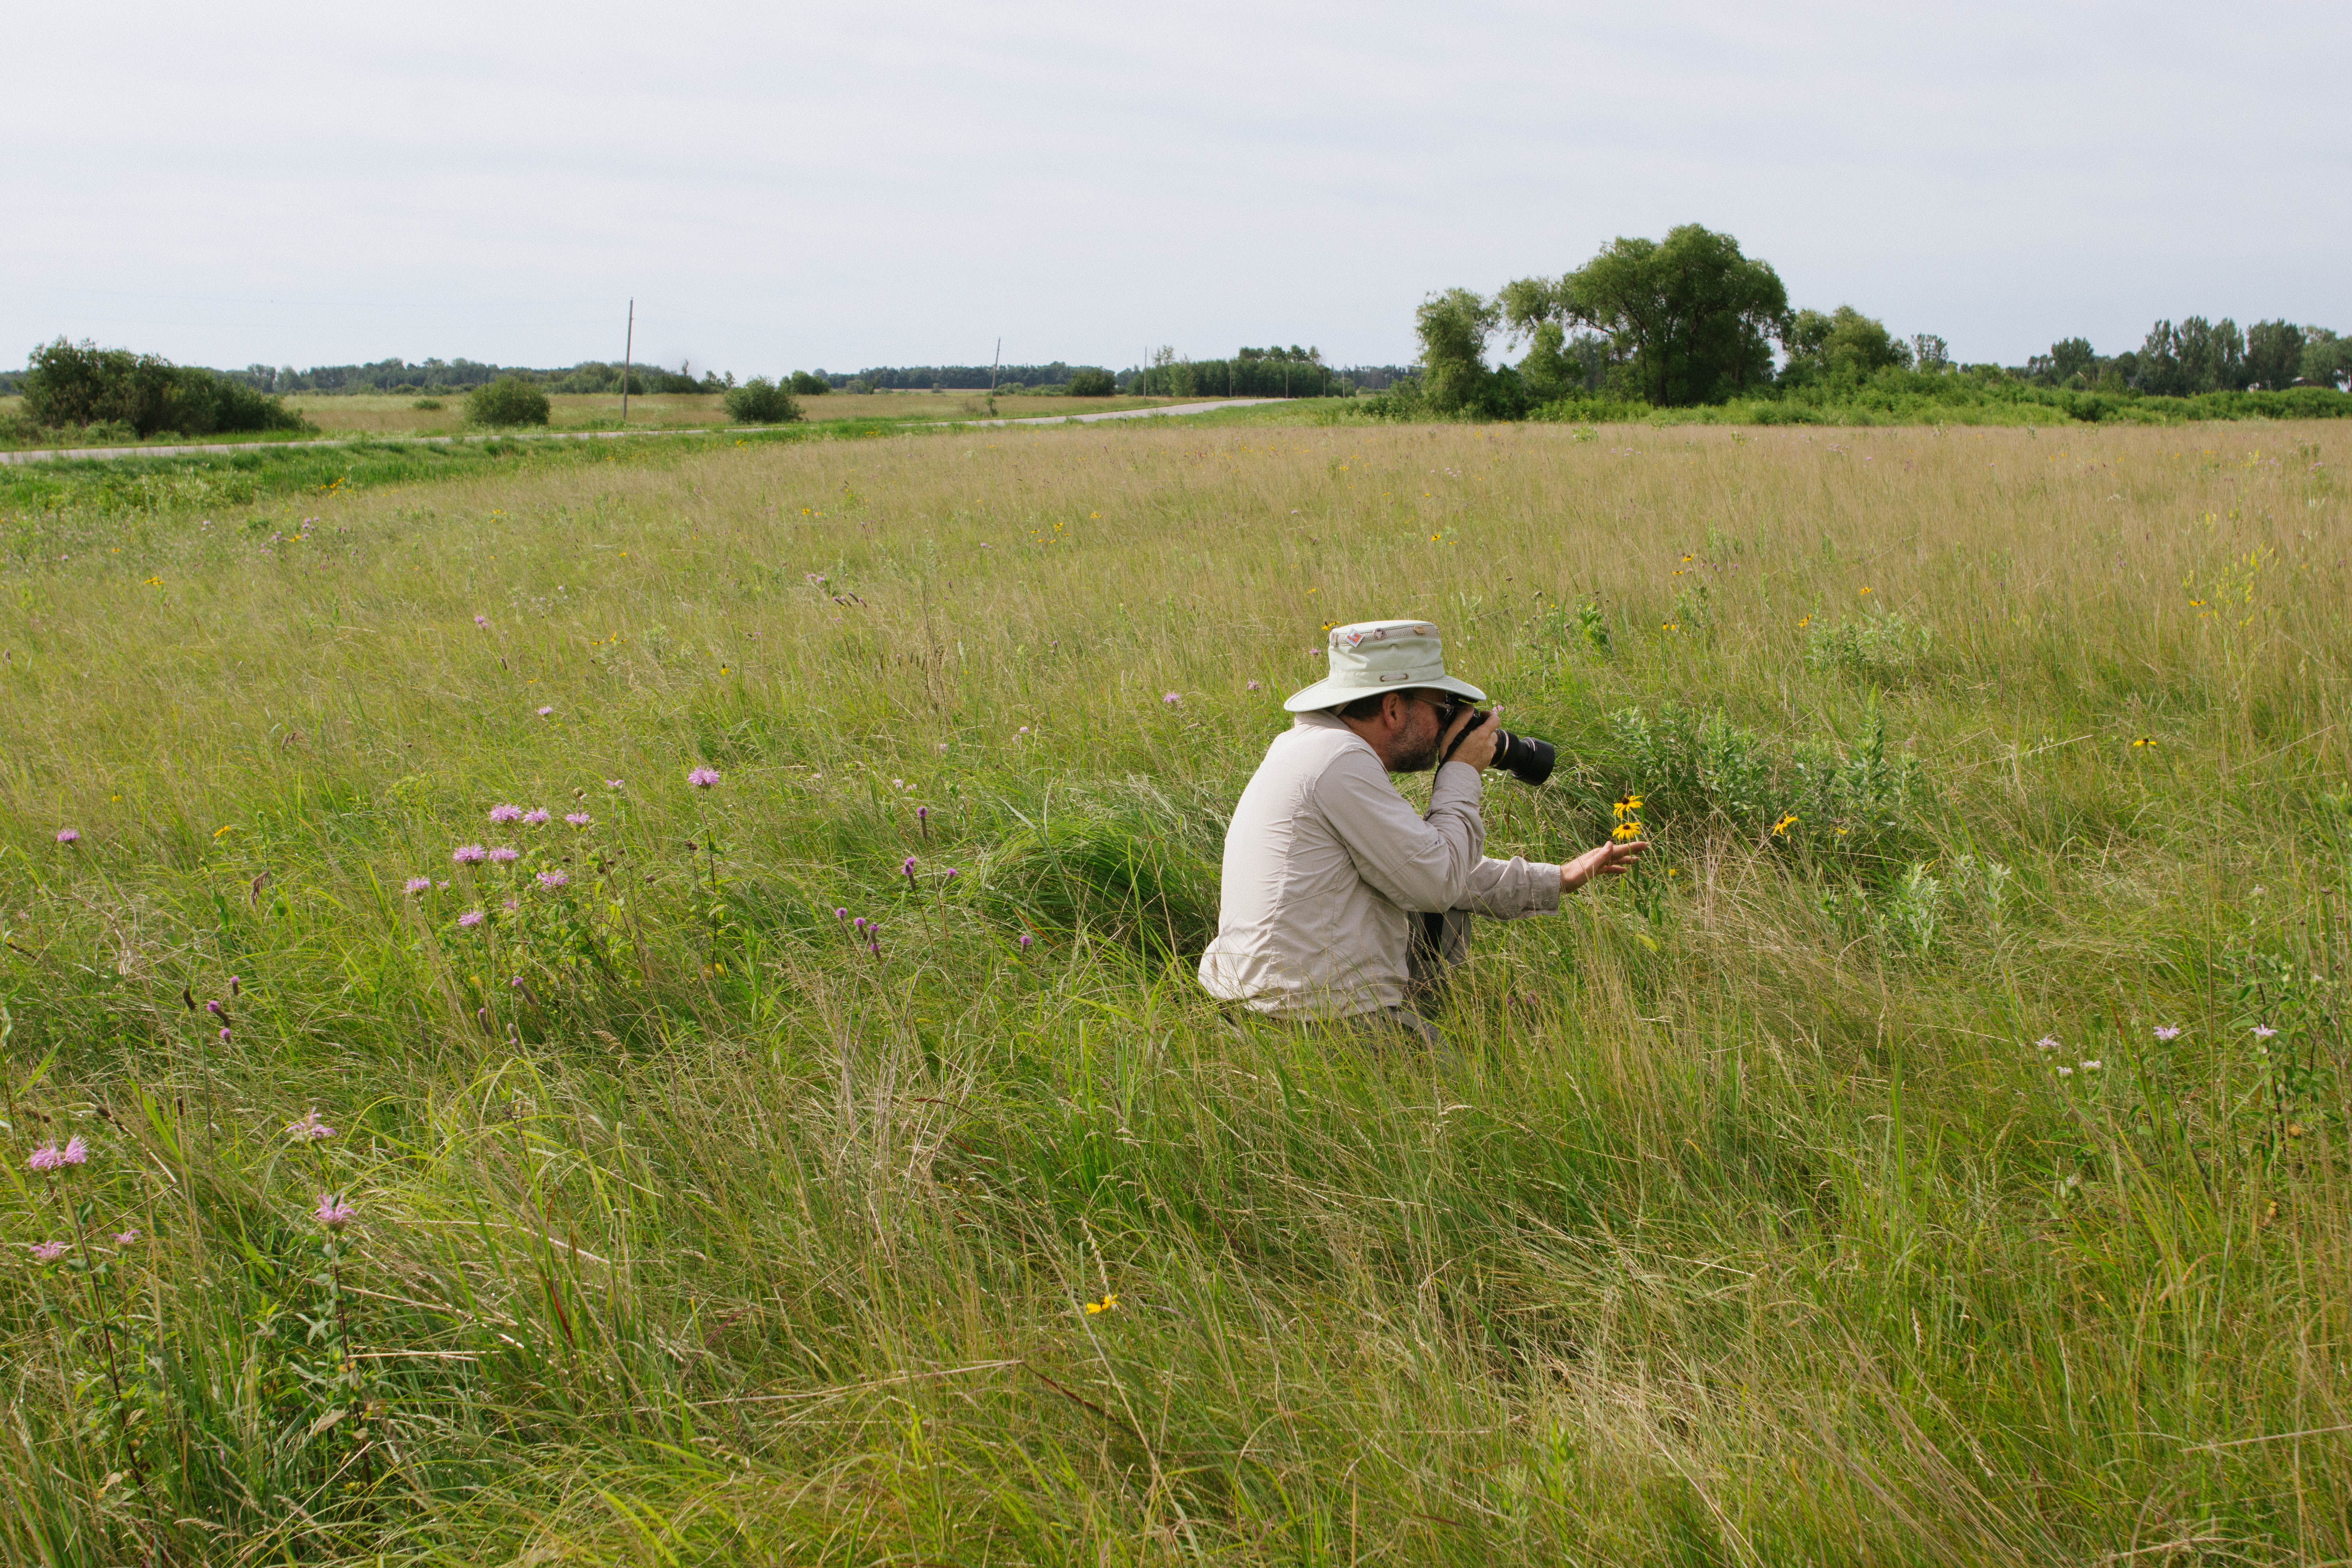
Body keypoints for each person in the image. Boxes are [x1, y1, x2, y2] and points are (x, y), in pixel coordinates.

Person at [1198, 619, 1647, 1044]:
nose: (1447, 724)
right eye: (1442, 707)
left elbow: (1420, 863)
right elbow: (1436, 882)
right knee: (1470, 1095)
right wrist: (1460, 770)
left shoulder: (1311, 747)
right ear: (1393, 708)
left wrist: (1556, 878)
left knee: (1443, 909)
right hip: (1311, 1017)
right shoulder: (1339, 762)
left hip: (1268, 1004)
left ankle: (1426, 1017)